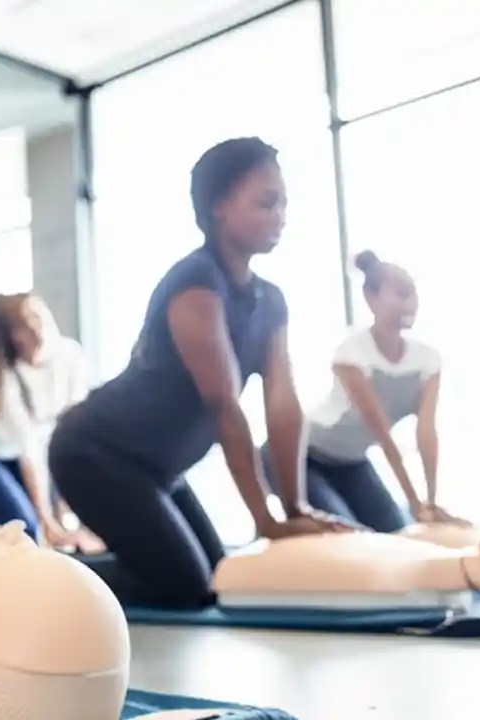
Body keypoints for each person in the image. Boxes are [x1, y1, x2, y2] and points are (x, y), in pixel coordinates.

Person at [47, 137, 353, 610]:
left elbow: (282, 404)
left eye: (283, 203)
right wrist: (265, 520)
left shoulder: (270, 300)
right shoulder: (195, 281)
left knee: (217, 578)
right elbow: (224, 405)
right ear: (219, 207)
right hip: (95, 452)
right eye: (266, 202)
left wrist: (295, 508)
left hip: (160, 468)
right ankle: (43, 580)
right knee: (186, 588)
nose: (280, 215)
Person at [262, 251, 467, 532]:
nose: (410, 303)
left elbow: (426, 432)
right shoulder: (352, 354)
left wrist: (430, 502)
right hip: (301, 456)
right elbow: (382, 434)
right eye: (401, 294)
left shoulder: (427, 360)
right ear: (371, 298)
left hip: (352, 462)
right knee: (349, 537)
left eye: (413, 295)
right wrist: (414, 503)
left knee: (397, 533)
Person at [0, 292, 96, 552]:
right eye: (22, 326)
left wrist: (63, 512)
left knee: (53, 526)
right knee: (27, 529)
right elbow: (30, 454)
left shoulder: (70, 356)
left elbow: (68, 434)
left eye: (37, 317)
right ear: (9, 336)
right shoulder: (8, 379)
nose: (35, 329)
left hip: (17, 454)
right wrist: (47, 521)